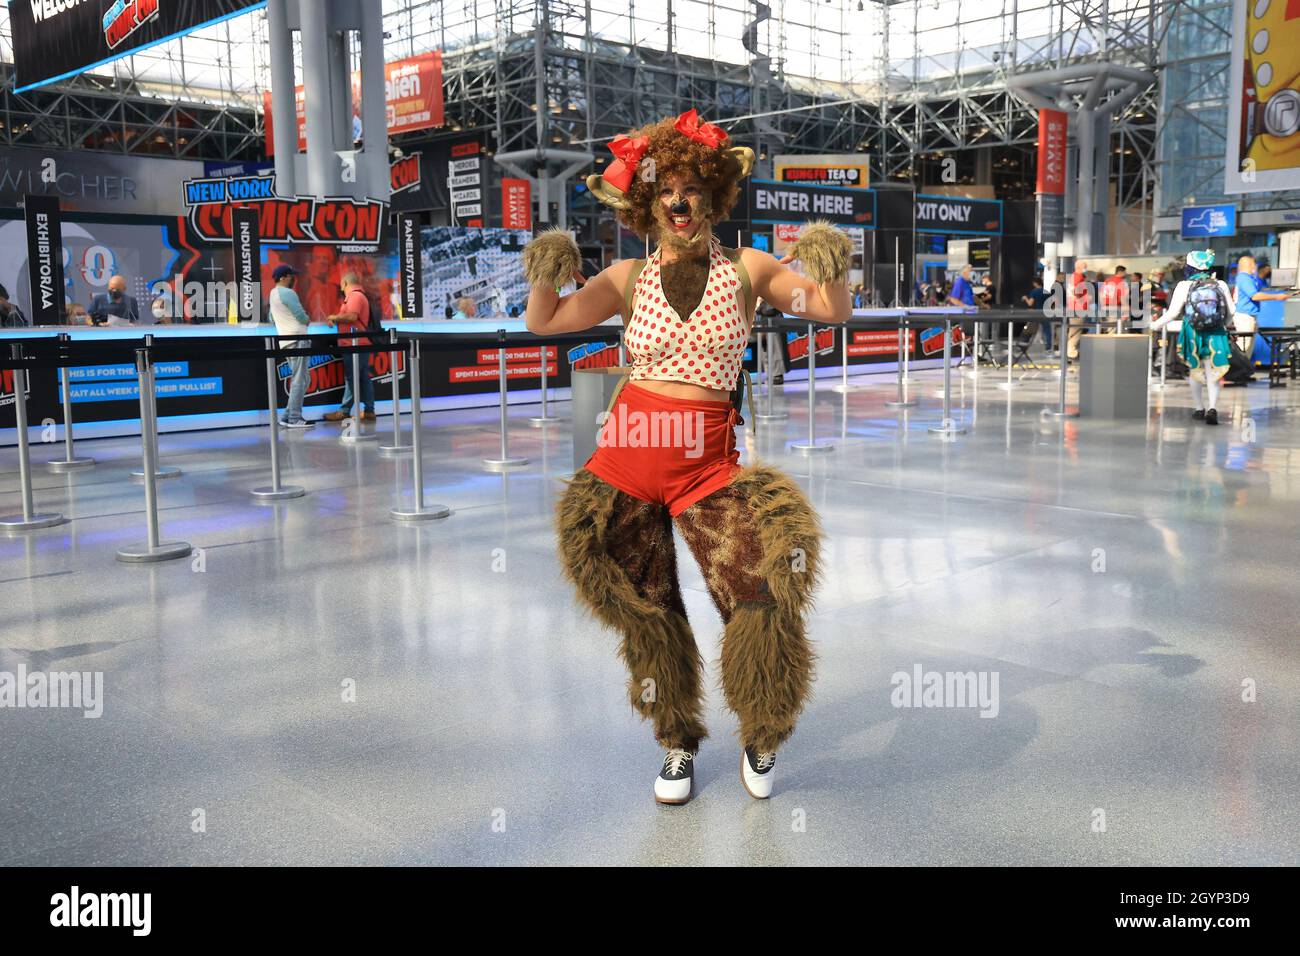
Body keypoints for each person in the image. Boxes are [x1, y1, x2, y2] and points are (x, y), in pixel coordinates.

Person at [525, 108, 849, 805]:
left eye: (692, 187)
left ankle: (762, 728)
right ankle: (675, 742)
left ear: (712, 195)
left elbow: (829, 310)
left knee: (761, 590)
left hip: (708, 466)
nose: (678, 201)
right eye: (665, 189)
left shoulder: (749, 269)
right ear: (647, 201)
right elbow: (544, 322)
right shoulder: (626, 275)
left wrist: (832, 265)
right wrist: (546, 270)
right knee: (650, 611)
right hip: (627, 461)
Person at [1151, 249, 1235, 425]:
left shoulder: (1184, 286)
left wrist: (1154, 325)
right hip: (1216, 331)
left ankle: (1199, 408)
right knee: (1213, 370)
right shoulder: (1220, 284)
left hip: (1193, 331)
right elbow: (1232, 311)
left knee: (1195, 369)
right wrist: (1222, 324)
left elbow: (1173, 313)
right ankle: (1213, 408)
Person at [267, 264, 316, 428]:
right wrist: (308, 320)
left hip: (286, 341)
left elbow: (271, 318)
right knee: (300, 380)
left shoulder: (273, 294)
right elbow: (301, 316)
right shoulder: (289, 293)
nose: (292, 278)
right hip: (298, 339)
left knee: (302, 379)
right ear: (283, 278)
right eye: (290, 276)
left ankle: (288, 415)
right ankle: (295, 417)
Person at [324, 272, 375, 422]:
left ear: (345, 283)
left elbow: (352, 316)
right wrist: (337, 319)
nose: (341, 289)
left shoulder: (355, 297)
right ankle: (369, 410)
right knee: (363, 377)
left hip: (355, 344)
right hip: (359, 343)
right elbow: (350, 318)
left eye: (341, 286)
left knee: (352, 378)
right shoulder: (357, 296)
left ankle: (344, 411)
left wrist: (334, 317)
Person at [1233, 255, 1288, 356]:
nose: (1255, 266)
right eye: (1254, 264)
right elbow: (1254, 296)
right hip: (1245, 316)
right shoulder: (1244, 278)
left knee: (1248, 348)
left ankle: (1244, 369)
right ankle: (1237, 370)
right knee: (1244, 346)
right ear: (1249, 265)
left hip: (1249, 316)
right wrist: (1276, 297)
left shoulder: (1248, 278)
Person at [1065, 260, 1091, 359]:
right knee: (1075, 331)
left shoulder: (1073, 276)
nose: (1086, 267)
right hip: (1077, 308)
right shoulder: (1078, 277)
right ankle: (1071, 352)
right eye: (1085, 266)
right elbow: (1076, 291)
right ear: (1080, 267)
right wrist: (1084, 298)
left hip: (1074, 307)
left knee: (1074, 331)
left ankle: (1071, 351)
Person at [1018, 276, 1052, 351]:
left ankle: (1023, 343)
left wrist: (1025, 298)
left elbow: (1030, 303)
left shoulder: (1034, 292)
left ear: (1035, 283)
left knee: (1030, 328)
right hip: (1045, 313)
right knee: (1047, 330)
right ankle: (1049, 345)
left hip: (1036, 313)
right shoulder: (1046, 291)